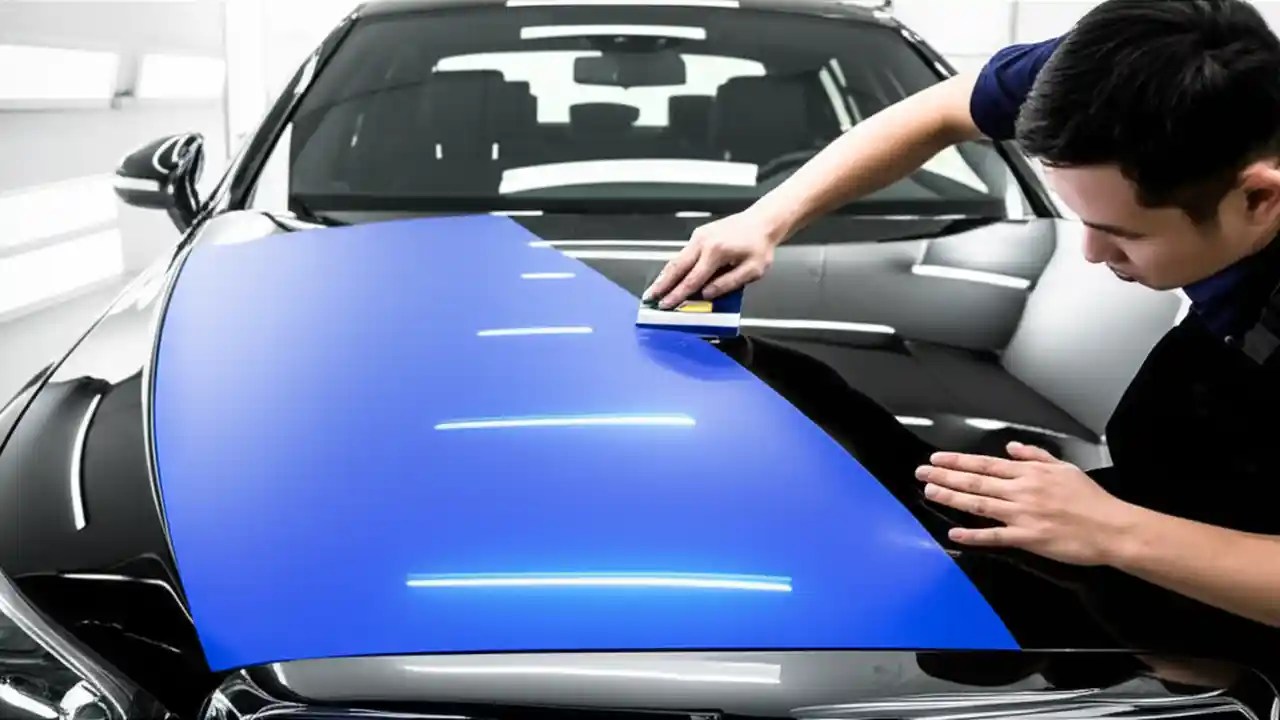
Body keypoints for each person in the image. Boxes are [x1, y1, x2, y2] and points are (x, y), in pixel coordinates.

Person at [644, 0, 1280, 633]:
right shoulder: (1128, 81)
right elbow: (945, 108)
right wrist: (766, 220)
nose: (1090, 253)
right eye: (1080, 219)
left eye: (1123, 234)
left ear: (1258, 197)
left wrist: (1113, 529)